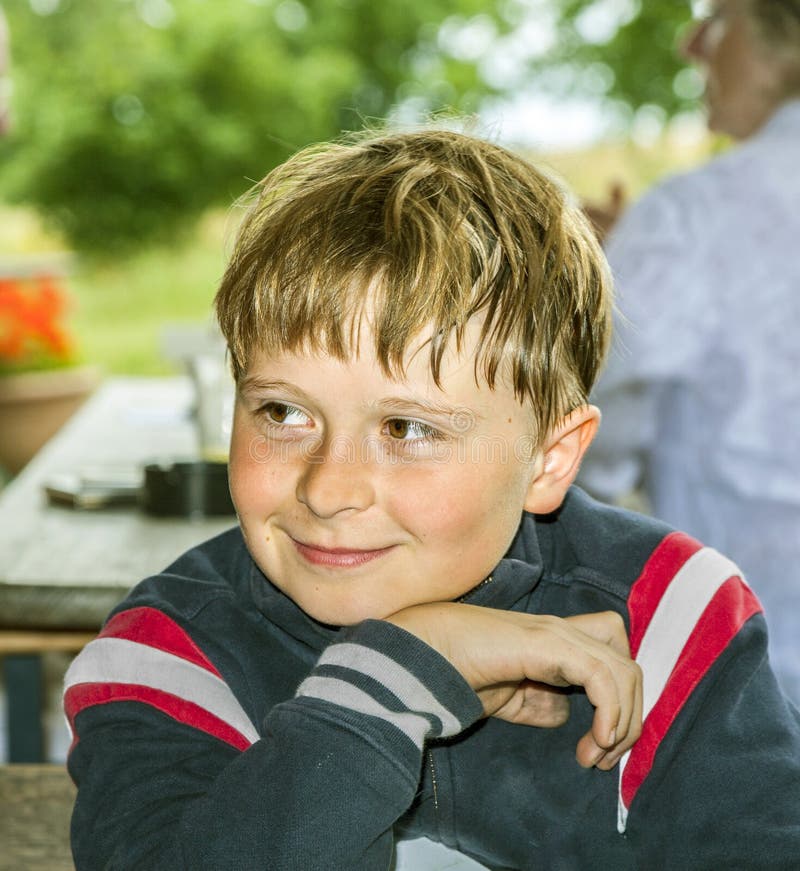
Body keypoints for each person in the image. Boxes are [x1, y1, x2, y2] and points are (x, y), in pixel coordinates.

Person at [63, 128, 800, 871]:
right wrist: (398, 676)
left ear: (550, 457)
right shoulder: (169, 655)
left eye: (407, 427)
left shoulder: (674, 619)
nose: (327, 487)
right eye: (284, 413)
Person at [578, 0, 800, 701]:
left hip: (753, 690)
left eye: (720, 17)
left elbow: (592, 446)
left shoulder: (694, 214)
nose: (691, 43)